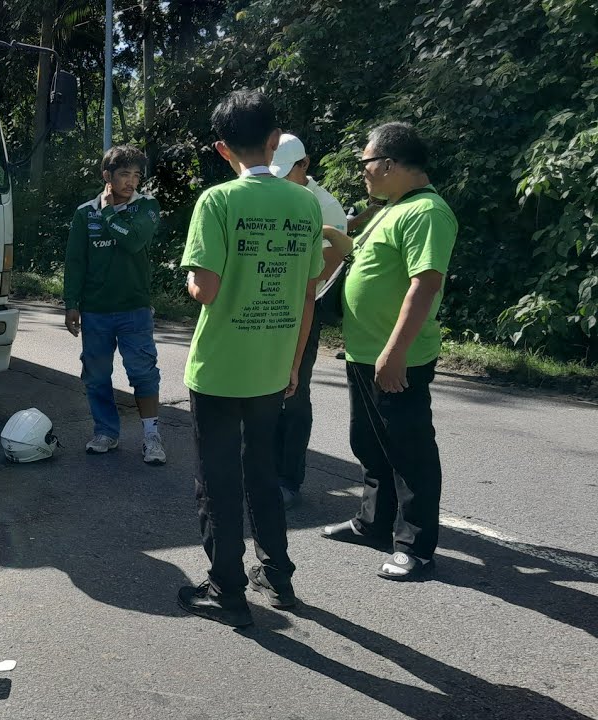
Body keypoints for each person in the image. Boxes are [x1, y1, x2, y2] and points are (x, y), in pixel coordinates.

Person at [177, 90, 323, 627]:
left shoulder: (217, 203)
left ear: (222, 149)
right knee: (262, 470)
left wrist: (193, 279)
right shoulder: (304, 203)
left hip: (218, 367)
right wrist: (291, 363)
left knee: (216, 478)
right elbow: (308, 294)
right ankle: (277, 573)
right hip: (271, 364)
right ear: (273, 141)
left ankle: (228, 587)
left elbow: (207, 290)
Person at [320, 122, 457, 582]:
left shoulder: (426, 211)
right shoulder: (391, 208)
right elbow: (364, 262)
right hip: (363, 352)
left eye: (366, 163)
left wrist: (395, 350)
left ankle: (415, 547)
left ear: (391, 164)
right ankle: (373, 525)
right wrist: (341, 242)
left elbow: (425, 284)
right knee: (371, 445)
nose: (363, 172)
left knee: (409, 450)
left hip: (398, 356)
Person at [63, 145, 165, 464]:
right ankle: (106, 431)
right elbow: (76, 261)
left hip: (134, 308)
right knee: (96, 375)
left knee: (143, 373)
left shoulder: (147, 207)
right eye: (124, 174)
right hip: (95, 311)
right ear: (107, 176)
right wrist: (71, 303)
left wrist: (108, 213)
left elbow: (134, 241)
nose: (131, 182)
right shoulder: (84, 213)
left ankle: (151, 437)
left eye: (136, 175)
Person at [268, 133, 353, 509]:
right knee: (258, 390)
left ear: (304, 165)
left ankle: (288, 478)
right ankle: (259, 470)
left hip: (304, 307)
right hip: (265, 305)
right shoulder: (269, 193)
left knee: (292, 391)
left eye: (287, 171)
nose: (280, 178)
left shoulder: (325, 207)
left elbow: (321, 272)